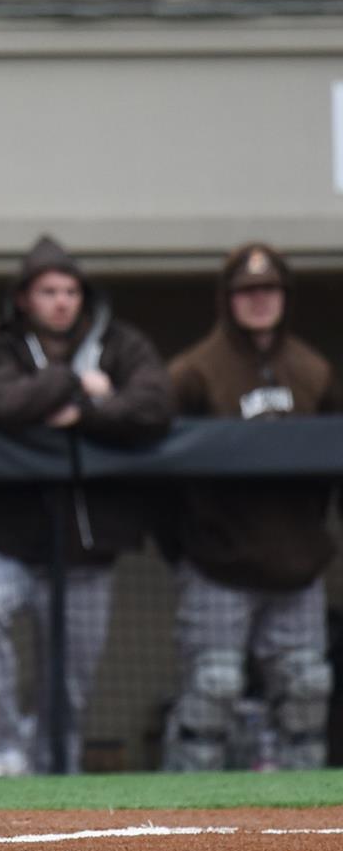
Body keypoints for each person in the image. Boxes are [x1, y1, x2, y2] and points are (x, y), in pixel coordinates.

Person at [0, 236, 173, 776]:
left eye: (71, 292)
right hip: (11, 543)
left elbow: (155, 405)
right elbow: (3, 402)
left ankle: (59, 769)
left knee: (69, 686)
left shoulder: (119, 343)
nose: (61, 302)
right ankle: (6, 745)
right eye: (48, 291)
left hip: (85, 553)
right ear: (24, 298)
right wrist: (75, 383)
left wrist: (86, 414)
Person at [162, 244, 339, 771]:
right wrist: (182, 547)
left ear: (285, 297)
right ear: (227, 299)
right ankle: (181, 813)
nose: (259, 301)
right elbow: (157, 473)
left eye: (269, 290)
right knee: (212, 691)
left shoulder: (313, 371)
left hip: (296, 568)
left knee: (306, 691)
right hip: (218, 565)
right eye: (247, 292)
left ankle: (305, 817)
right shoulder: (194, 371)